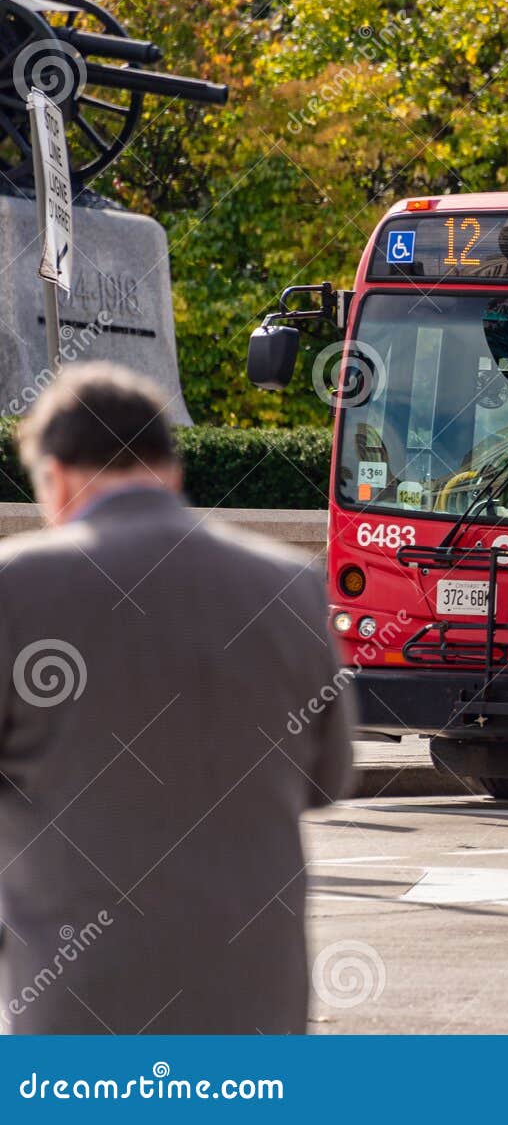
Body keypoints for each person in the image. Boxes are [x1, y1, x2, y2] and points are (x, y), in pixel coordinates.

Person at [0, 364, 354, 1034]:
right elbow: (328, 779)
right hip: (259, 1001)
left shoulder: (16, 585)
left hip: (79, 1005)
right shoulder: (292, 585)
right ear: (169, 468)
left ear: (58, 475)